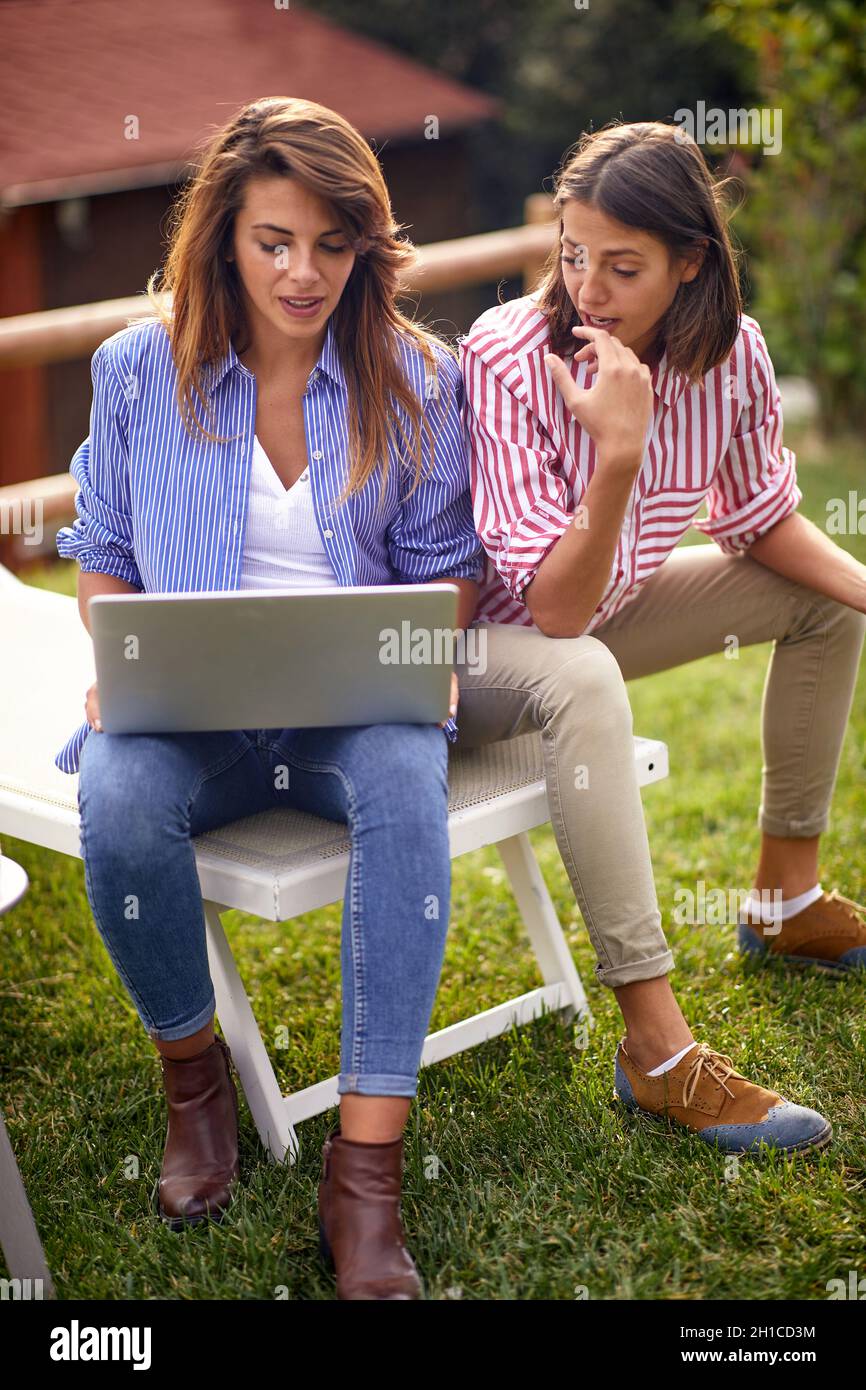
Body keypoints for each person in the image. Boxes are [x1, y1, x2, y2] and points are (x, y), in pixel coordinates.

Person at [54, 96, 484, 1301]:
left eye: (333, 245)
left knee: (405, 772)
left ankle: (366, 1176)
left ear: (365, 247)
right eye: (274, 241)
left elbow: (448, 558)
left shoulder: (414, 375)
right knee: (119, 788)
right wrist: (114, 648)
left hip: (352, 704)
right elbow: (100, 549)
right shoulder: (140, 370)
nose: (304, 273)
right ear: (223, 239)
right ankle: (196, 1089)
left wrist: (427, 643)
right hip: (196, 712)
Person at [458, 120, 866, 1154]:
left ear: (691, 264)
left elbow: (761, 520)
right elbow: (549, 613)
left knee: (819, 600)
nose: (585, 287)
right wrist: (617, 454)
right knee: (582, 666)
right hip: (472, 653)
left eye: (621, 265)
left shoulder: (730, 356)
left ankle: (782, 897)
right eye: (570, 251)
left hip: (598, 612)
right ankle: (655, 1051)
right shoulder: (506, 357)